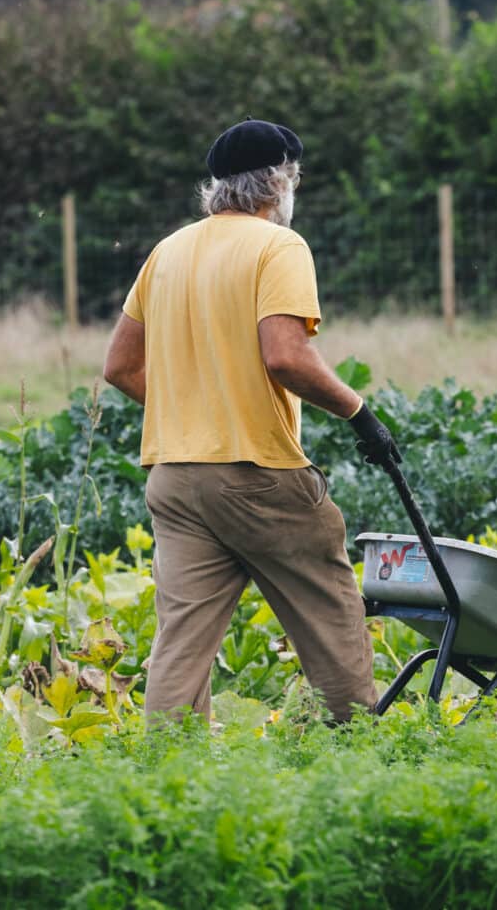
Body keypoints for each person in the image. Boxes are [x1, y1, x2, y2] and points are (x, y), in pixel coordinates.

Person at [102, 118, 400, 724]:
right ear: (279, 182)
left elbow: (120, 366)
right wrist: (358, 412)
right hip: (258, 475)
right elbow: (286, 356)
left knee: (181, 641)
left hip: (176, 480)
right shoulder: (279, 246)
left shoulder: (169, 250)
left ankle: (165, 769)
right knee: (330, 610)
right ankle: (364, 747)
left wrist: (193, 409)